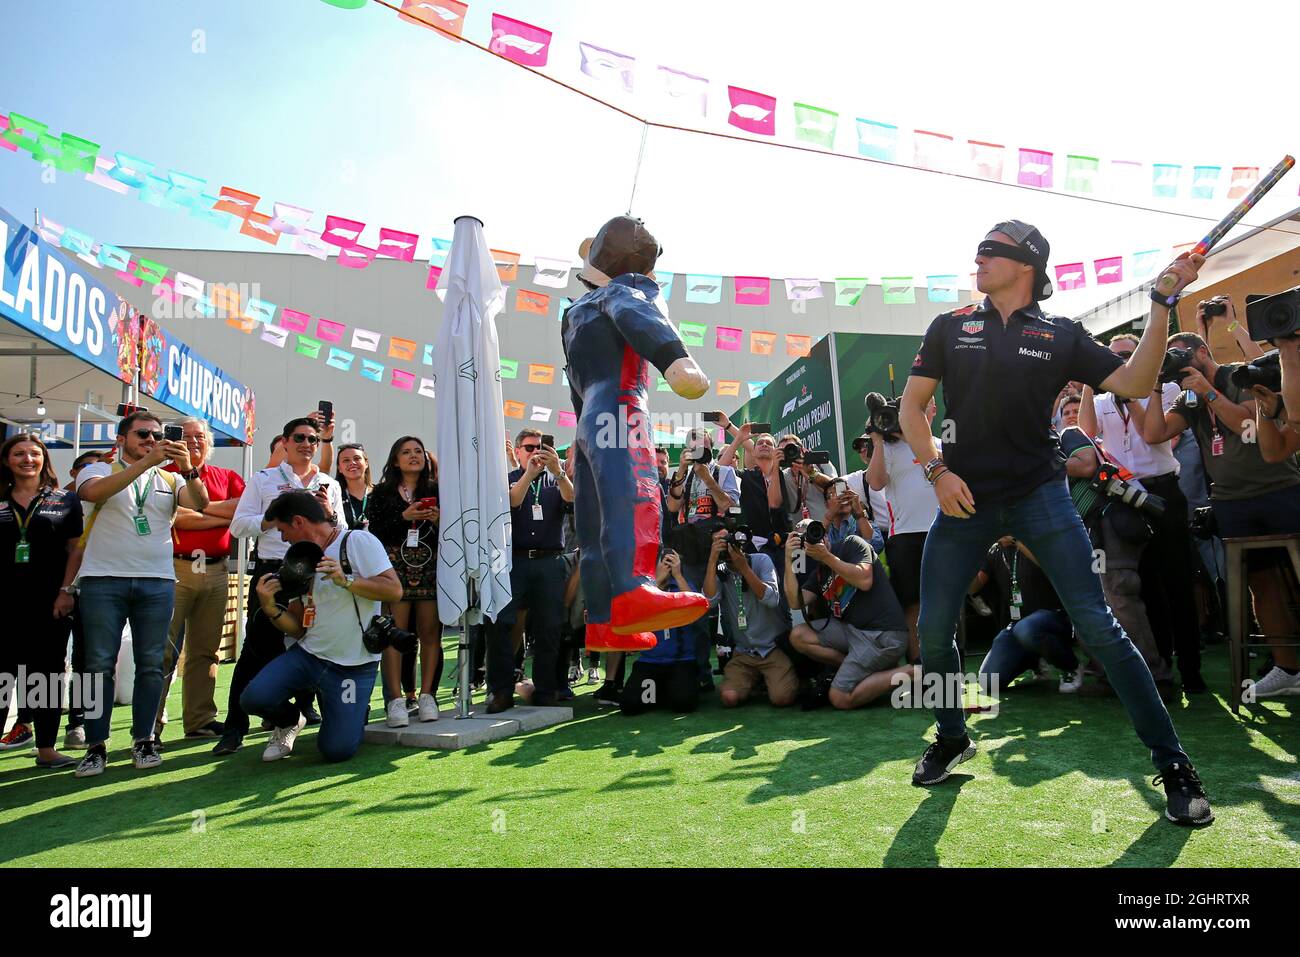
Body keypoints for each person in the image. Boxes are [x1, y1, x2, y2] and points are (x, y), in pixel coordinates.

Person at [901, 218, 1212, 827]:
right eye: (980, 247)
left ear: (1029, 265)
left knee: (1099, 626)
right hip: (962, 499)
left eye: (994, 250)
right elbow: (913, 409)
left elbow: (1137, 380)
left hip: (1041, 496)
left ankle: (1174, 765)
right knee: (935, 630)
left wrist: (1161, 305)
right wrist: (937, 472)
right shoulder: (950, 326)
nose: (980, 256)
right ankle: (951, 734)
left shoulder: (1062, 334)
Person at [562, 215, 710, 646]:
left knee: (592, 519)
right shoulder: (625, 290)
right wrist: (674, 359)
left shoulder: (575, 313)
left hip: (588, 418)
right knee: (635, 493)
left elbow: (575, 379)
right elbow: (639, 315)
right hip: (623, 407)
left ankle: (603, 619)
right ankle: (634, 590)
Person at [1138, 327, 1300, 698]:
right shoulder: (1187, 398)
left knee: (1295, 573)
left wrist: (1208, 392)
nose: (1176, 364)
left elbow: (1247, 424)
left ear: (1201, 353)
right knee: (1261, 583)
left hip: (1280, 489)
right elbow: (1154, 433)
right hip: (1230, 499)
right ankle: (1287, 667)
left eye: (1178, 355)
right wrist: (1156, 386)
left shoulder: (1238, 376)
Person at [73, 410, 210, 777]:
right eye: (143, 435)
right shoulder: (98, 468)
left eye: (156, 435)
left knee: (152, 663)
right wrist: (149, 461)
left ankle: (144, 738)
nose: (152, 440)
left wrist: (190, 468)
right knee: (98, 663)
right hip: (103, 580)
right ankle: (95, 744)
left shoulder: (168, 476)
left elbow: (200, 503)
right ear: (122, 440)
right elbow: (92, 493)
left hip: (156, 581)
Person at [1081, 332, 1204, 691]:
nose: (1120, 361)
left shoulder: (1165, 391)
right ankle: (1160, 665)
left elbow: (1155, 435)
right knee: (1144, 584)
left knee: (1178, 581)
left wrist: (1134, 393)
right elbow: (1087, 434)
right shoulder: (1102, 398)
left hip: (1163, 490)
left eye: (1126, 356)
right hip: (1123, 496)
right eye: (1113, 357)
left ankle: (1193, 668)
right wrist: (1093, 382)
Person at [243, 491, 403, 762]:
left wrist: (347, 581)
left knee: (337, 750)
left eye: (282, 530)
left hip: (353, 666)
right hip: (309, 657)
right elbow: (297, 628)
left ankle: (342, 715)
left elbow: (394, 591)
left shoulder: (357, 540)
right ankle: (292, 720)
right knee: (254, 698)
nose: (282, 538)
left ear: (298, 522)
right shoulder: (298, 556)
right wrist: (270, 607)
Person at [219, 416, 344, 755]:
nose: (306, 445)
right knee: (255, 650)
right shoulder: (263, 480)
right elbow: (238, 527)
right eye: (299, 438)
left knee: (311, 642)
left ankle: (301, 714)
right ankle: (234, 728)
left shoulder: (329, 483)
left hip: (313, 571)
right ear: (284, 443)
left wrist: (328, 513)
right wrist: (272, 519)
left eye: (313, 440)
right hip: (272, 571)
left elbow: (340, 531)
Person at [154, 417, 247, 745]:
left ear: (210, 442)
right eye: (187, 436)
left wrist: (199, 513)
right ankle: (151, 724)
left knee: (206, 650)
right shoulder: (162, 474)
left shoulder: (227, 476)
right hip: (174, 569)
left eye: (200, 437)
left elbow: (243, 510)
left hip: (217, 570)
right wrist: (214, 515)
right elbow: (173, 517)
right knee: (163, 649)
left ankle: (200, 719)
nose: (194, 442)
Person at [0, 434, 83, 768]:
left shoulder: (65, 501)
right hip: (3, 603)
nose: (27, 459)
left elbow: (75, 548)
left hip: (50, 602)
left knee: (45, 675)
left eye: (34, 454)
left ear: (44, 460)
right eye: (19, 454)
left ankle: (46, 748)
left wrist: (66, 591)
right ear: (7, 461)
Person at [483, 429, 574, 713]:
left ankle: (546, 689)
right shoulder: (509, 479)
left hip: (549, 561)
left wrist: (558, 471)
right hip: (514, 561)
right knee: (502, 624)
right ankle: (501, 690)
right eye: (530, 447)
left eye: (542, 446)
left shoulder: (556, 479)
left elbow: (571, 500)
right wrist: (529, 475)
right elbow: (512, 501)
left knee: (549, 627)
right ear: (518, 451)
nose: (536, 451)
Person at [784, 519, 912, 710]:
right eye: (805, 537)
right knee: (799, 635)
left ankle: (914, 671)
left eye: (817, 531)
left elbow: (864, 580)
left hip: (883, 635)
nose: (815, 538)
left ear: (826, 533)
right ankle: (860, 672)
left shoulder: (852, 544)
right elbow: (795, 602)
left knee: (840, 697)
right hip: (853, 632)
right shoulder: (819, 574)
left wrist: (827, 556)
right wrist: (788, 559)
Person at [366, 436, 443, 725]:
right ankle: (395, 700)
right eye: (406, 452)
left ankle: (427, 696)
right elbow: (375, 533)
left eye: (418, 451)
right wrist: (404, 516)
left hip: (430, 567)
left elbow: (453, 533)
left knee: (430, 632)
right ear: (395, 460)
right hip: (394, 570)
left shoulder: (438, 490)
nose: (413, 456)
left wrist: (436, 519)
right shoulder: (381, 493)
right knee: (394, 634)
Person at [865, 396, 940, 662]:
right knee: (913, 604)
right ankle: (919, 665)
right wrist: (877, 440)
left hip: (942, 532)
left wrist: (911, 435)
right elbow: (874, 483)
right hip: (904, 536)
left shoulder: (938, 445)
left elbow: (945, 467)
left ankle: (952, 661)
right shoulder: (887, 449)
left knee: (947, 602)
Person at [702, 530, 798, 708]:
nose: (726, 546)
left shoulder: (761, 560)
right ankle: (755, 681)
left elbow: (771, 599)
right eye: (719, 542)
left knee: (782, 698)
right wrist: (712, 560)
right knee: (729, 698)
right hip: (744, 651)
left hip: (772, 648)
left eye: (728, 541)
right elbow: (709, 602)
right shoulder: (721, 570)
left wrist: (744, 568)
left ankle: (772, 679)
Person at [975, 538, 1081, 693]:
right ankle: (1035, 659)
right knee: (988, 681)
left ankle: (1071, 666)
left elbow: (1051, 566)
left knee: (1027, 629)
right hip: (1018, 625)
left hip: (1056, 617)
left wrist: (1017, 539)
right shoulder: (994, 550)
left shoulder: (1035, 538)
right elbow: (974, 587)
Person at [619, 549, 701, 715]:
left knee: (684, 703)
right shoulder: (643, 588)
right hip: (651, 662)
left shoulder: (682, 585)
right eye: (663, 562)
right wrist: (656, 582)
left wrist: (678, 575)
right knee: (629, 705)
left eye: (671, 562)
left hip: (681, 660)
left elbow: (695, 610)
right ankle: (664, 689)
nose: (667, 566)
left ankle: (670, 689)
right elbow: (635, 614)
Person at [335, 443, 373, 531]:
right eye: (346, 460)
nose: (352, 463)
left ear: (366, 463)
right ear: (339, 468)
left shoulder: (381, 493)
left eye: (357, 458)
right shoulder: (335, 496)